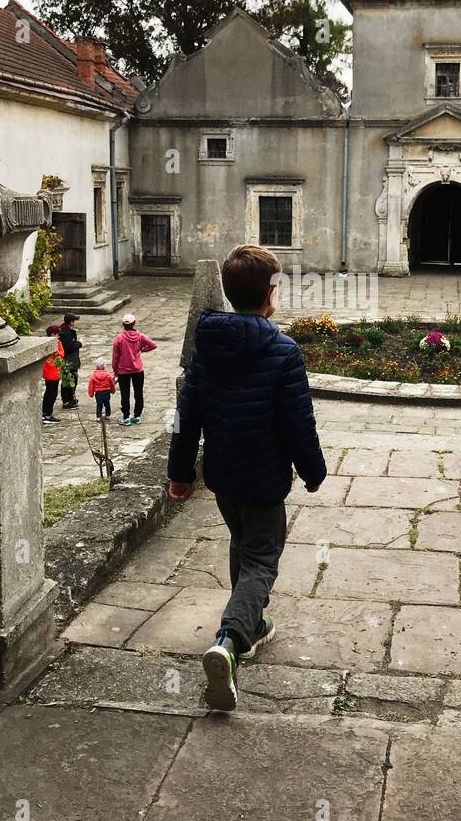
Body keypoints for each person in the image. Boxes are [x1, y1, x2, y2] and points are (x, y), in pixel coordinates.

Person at [167, 244, 327, 712]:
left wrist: (180, 474)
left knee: (243, 542)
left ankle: (253, 627)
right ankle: (230, 641)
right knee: (261, 558)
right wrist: (313, 472)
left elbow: (185, 416)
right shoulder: (282, 350)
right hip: (263, 479)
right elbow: (299, 422)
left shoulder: (206, 344)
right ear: (271, 294)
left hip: (223, 476)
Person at [111, 312, 157, 426]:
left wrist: (115, 370)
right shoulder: (140, 336)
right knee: (138, 393)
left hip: (123, 370)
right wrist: (142, 349)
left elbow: (115, 357)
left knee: (125, 394)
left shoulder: (119, 338)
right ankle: (137, 416)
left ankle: (126, 417)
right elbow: (153, 345)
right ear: (134, 323)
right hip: (138, 370)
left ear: (123, 324)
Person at [58, 313, 82, 409]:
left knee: (73, 380)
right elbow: (69, 347)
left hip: (72, 360)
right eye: (74, 321)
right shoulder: (65, 332)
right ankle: (66, 401)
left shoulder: (68, 331)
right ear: (71, 322)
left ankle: (71, 398)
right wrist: (79, 343)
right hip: (69, 361)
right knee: (68, 381)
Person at [42, 325, 64, 424]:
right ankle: (47, 414)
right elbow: (61, 354)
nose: (59, 336)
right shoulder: (52, 344)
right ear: (53, 334)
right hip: (52, 372)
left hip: (51, 371)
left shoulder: (53, 343)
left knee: (49, 392)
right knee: (51, 393)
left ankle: (45, 413)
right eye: (57, 334)